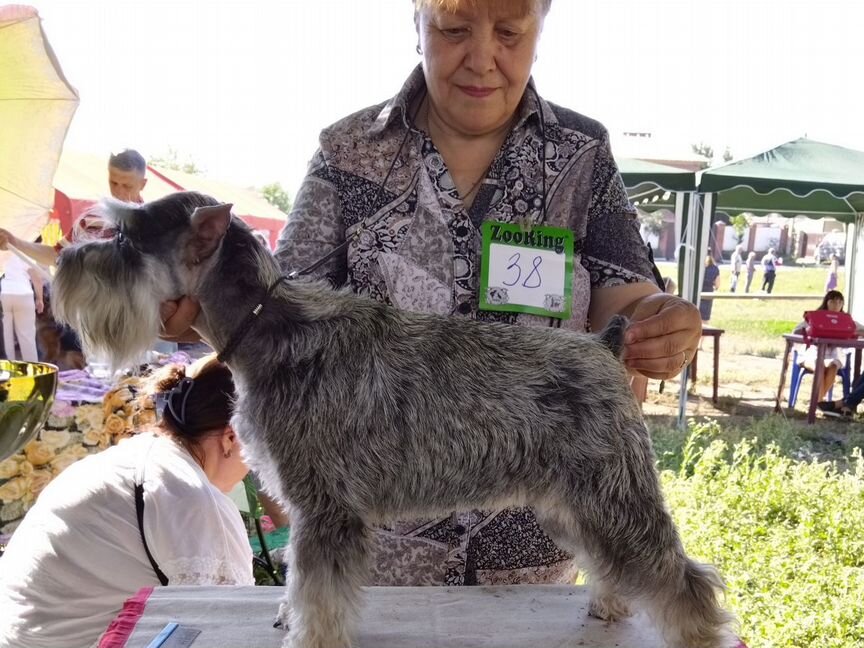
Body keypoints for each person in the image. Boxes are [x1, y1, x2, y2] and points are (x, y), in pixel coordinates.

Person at [161, 0, 702, 587]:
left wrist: (657, 322)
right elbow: (276, 307)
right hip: (377, 551)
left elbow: (623, 291)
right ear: (415, 23)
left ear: (541, 30)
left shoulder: (581, 152)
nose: (482, 58)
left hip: (536, 538)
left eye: (510, 33)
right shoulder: (348, 152)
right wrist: (195, 306)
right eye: (453, 29)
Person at [0, 355, 253, 648]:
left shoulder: (130, 459)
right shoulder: (190, 497)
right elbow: (234, 624)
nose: (257, 464)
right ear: (231, 437)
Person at [0, 149, 148, 268]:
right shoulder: (91, 219)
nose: (119, 192)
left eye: (127, 186)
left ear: (142, 184)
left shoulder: (154, 223)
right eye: (113, 183)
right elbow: (58, 256)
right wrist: (16, 243)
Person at [791, 290, 863, 404]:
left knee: (833, 366)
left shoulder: (845, 320)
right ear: (826, 302)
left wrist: (853, 332)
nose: (836, 305)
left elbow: (861, 330)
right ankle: (818, 402)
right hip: (812, 353)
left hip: (833, 355)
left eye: (840, 302)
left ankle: (817, 403)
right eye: (833, 302)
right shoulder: (816, 317)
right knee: (819, 366)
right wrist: (809, 330)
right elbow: (795, 332)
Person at [1, 254, 45, 362]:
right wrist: (40, 299)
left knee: (5, 339)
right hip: (24, 294)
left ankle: (8, 374)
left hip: (3, 295)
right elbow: (36, 278)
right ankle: (32, 374)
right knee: (27, 338)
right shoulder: (21, 253)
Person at [699, 255, 720, 322]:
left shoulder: (699, 266)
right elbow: (717, 285)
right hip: (708, 293)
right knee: (705, 317)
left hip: (698, 291)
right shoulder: (715, 269)